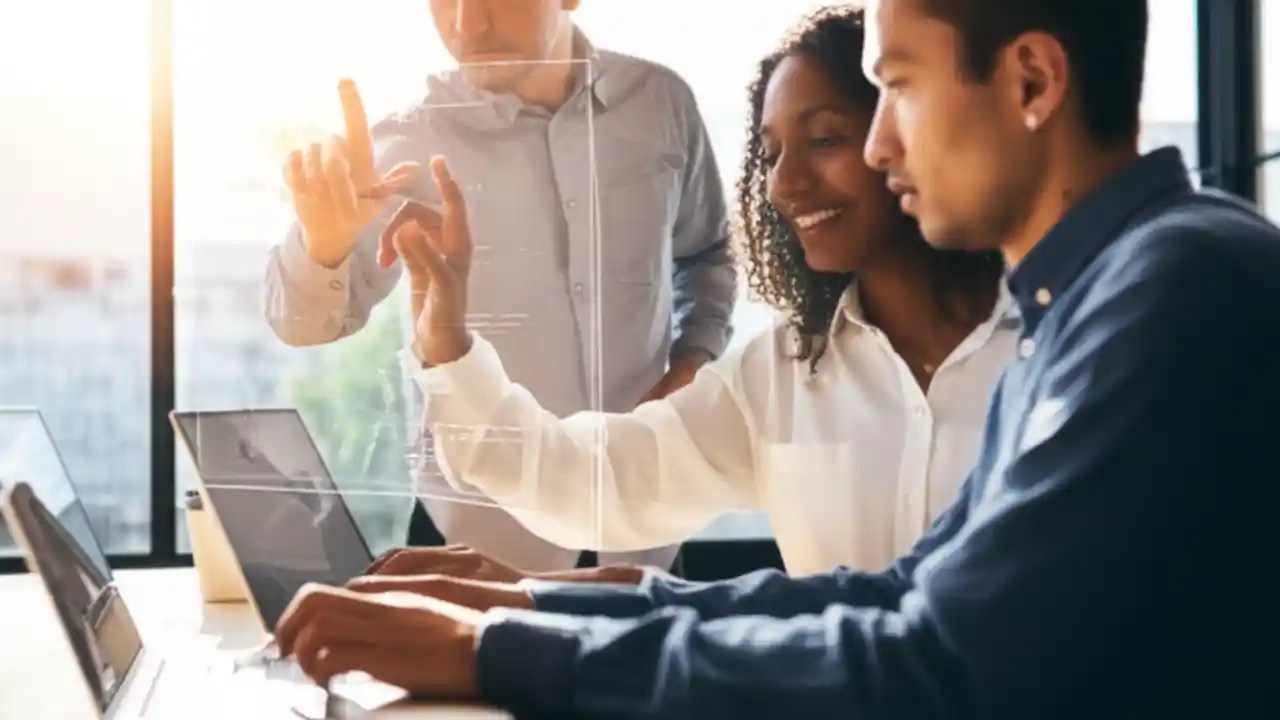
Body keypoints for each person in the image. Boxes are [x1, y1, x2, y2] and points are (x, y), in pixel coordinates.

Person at [275, 1, 1280, 717]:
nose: (881, 145)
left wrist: (501, 651)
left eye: (896, 89)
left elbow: (941, 660)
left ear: (1030, 81)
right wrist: (528, 604)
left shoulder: (1174, 289)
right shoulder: (1099, 295)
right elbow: (895, 594)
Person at [373, 5, 1014, 582]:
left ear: (902, 133)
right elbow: (591, 484)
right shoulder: (782, 375)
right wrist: (446, 339)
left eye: (824, 139)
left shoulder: (1048, 345)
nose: (785, 184)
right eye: (771, 154)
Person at [263, 0, 737, 574]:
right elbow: (302, 324)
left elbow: (705, 253)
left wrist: (693, 361)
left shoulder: (661, 104)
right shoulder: (409, 140)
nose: (468, 23)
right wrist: (323, 243)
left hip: (641, 529)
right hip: (477, 541)